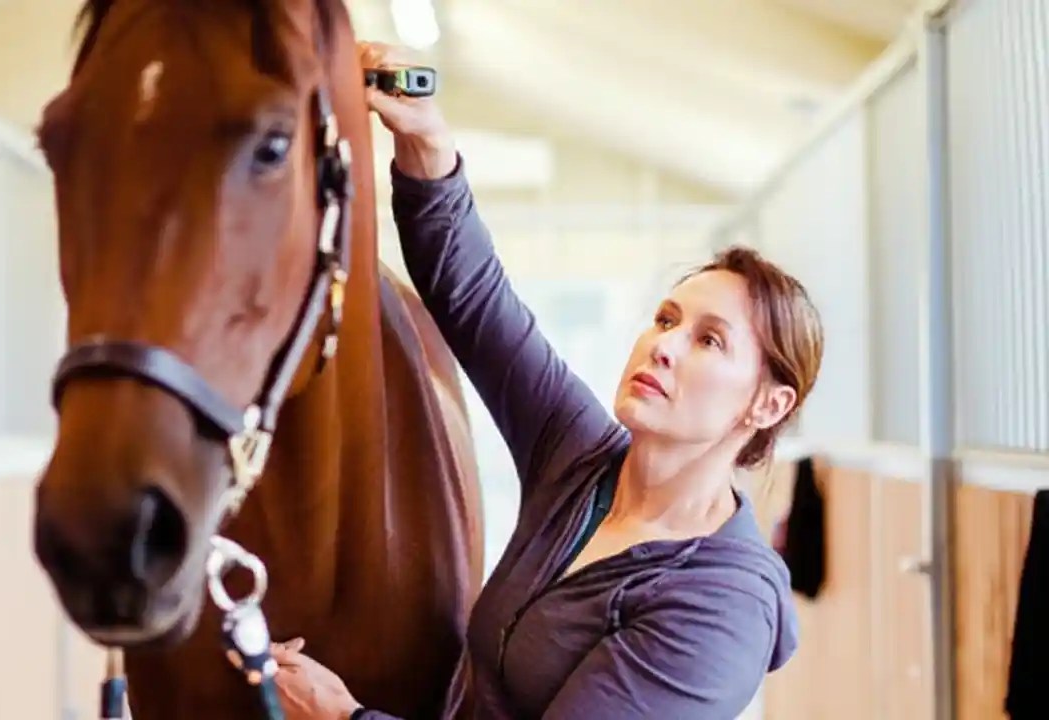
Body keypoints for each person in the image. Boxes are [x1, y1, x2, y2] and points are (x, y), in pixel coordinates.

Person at [270, 42, 824, 719]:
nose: (665, 346)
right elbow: (477, 302)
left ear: (768, 404)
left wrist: (340, 716)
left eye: (709, 340)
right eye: (666, 318)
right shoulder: (585, 464)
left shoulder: (719, 606)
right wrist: (426, 140)